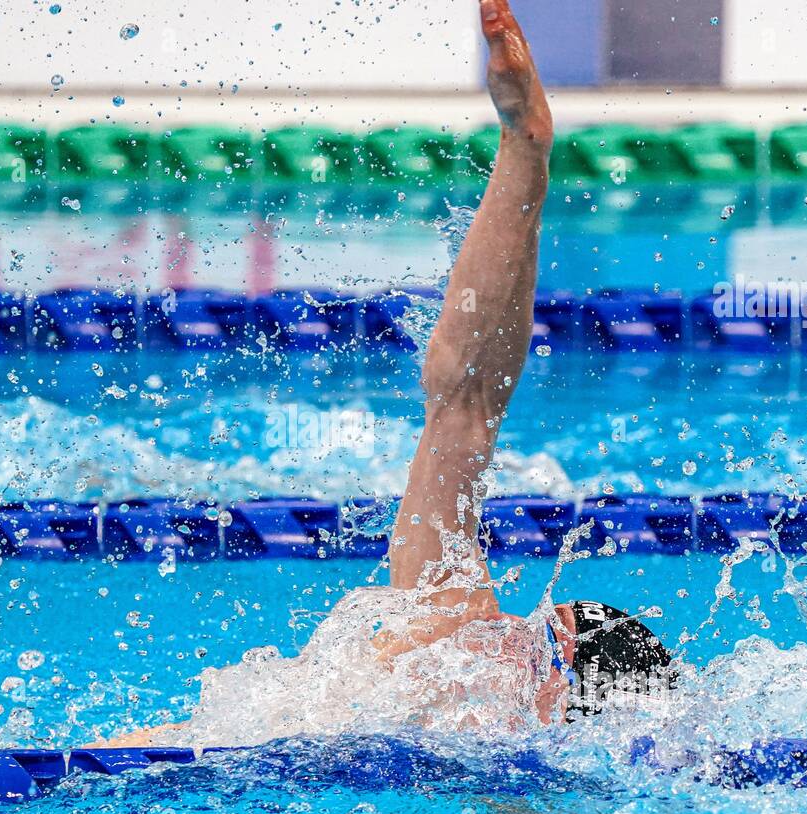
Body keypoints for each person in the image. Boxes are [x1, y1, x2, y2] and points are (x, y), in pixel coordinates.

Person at [97, 0, 671, 748]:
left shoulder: (488, 752)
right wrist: (526, 149)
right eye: (533, 624)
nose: (506, 632)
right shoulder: (442, 620)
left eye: (540, 651)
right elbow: (463, 399)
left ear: (557, 713)